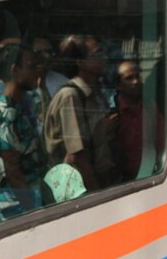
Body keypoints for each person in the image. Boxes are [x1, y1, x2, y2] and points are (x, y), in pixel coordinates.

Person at [0, 44, 47, 220]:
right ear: (15, 71)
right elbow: (13, 171)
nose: (37, 72)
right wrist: (33, 213)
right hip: (16, 212)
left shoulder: (22, 107)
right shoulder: (6, 113)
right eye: (31, 67)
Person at [44, 36, 117, 191]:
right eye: (96, 54)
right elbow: (77, 154)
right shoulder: (70, 96)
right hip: (81, 190)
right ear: (80, 62)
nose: (103, 58)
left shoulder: (94, 93)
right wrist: (96, 194)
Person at [113, 60, 164, 180]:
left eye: (137, 77)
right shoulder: (113, 110)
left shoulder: (150, 106)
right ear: (118, 85)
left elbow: (161, 140)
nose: (135, 82)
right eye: (129, 78)